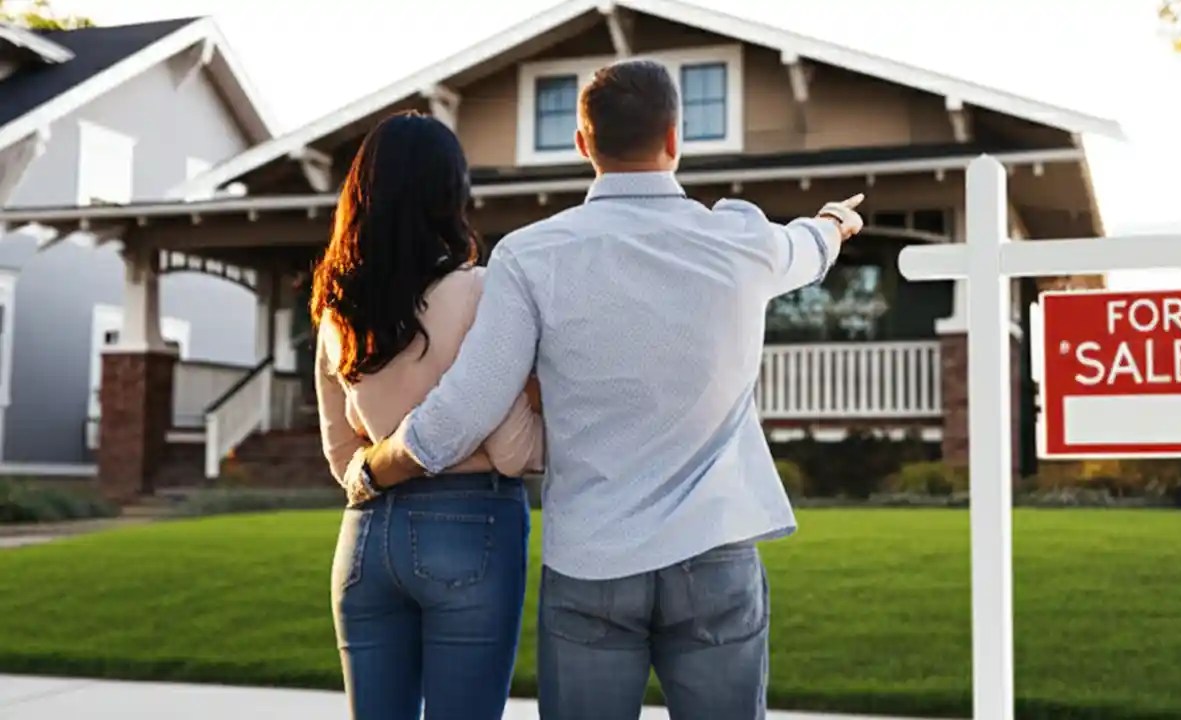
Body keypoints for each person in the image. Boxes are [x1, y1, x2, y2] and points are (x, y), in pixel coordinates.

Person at [353, 60, 864, 719]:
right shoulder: (743, 241)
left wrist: (374, 468)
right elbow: (811, 244)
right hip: (715, 553)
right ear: (674, 138)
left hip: (591, 566)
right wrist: (835, 222)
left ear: (582, 144)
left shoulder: (531, 254)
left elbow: (469, 407)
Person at [311, 110, 544, 720]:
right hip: (472, 527)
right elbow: (513, 452)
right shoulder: (482, 292)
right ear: (451, 196)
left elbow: (342, 457)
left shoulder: (335, 310)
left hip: (364, 537)